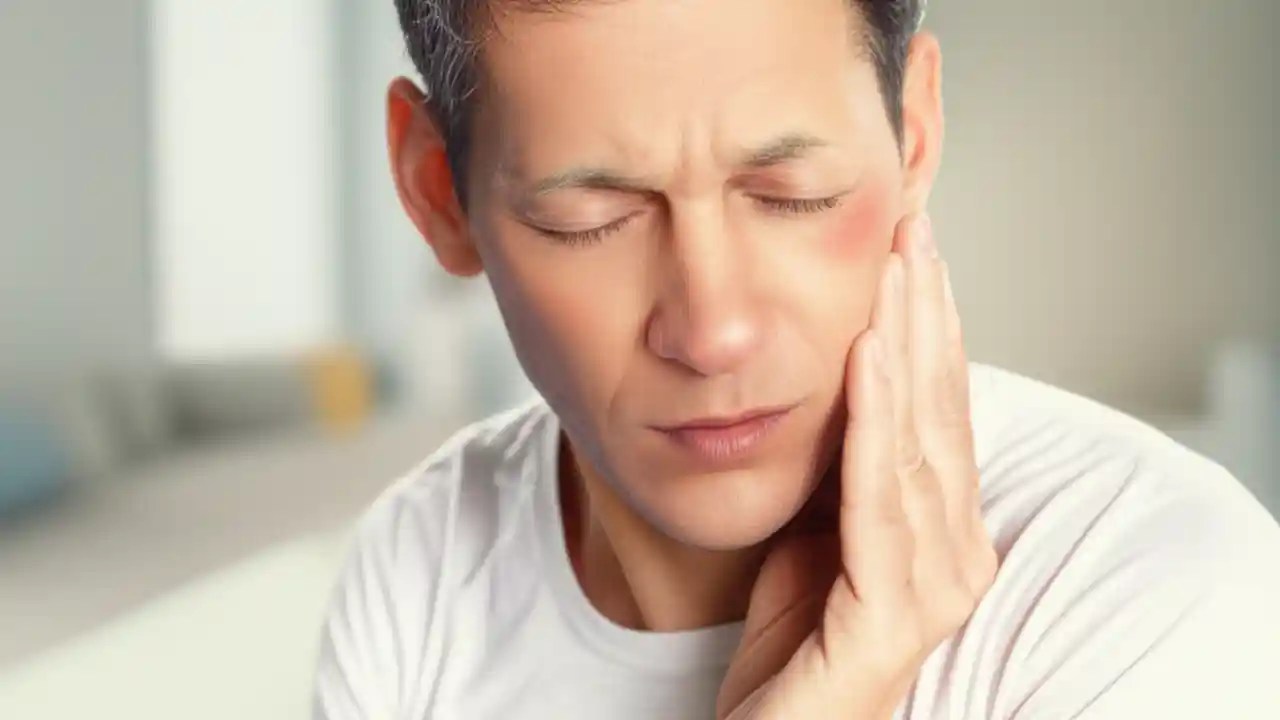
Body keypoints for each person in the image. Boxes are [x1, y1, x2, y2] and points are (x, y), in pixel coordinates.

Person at [312, 1, 1280, 717]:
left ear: (911, 137)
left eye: (791, 194)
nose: (712, 330)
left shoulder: (1148, 587)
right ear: (437, 191)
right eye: (590, 219)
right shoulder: (418, 570)